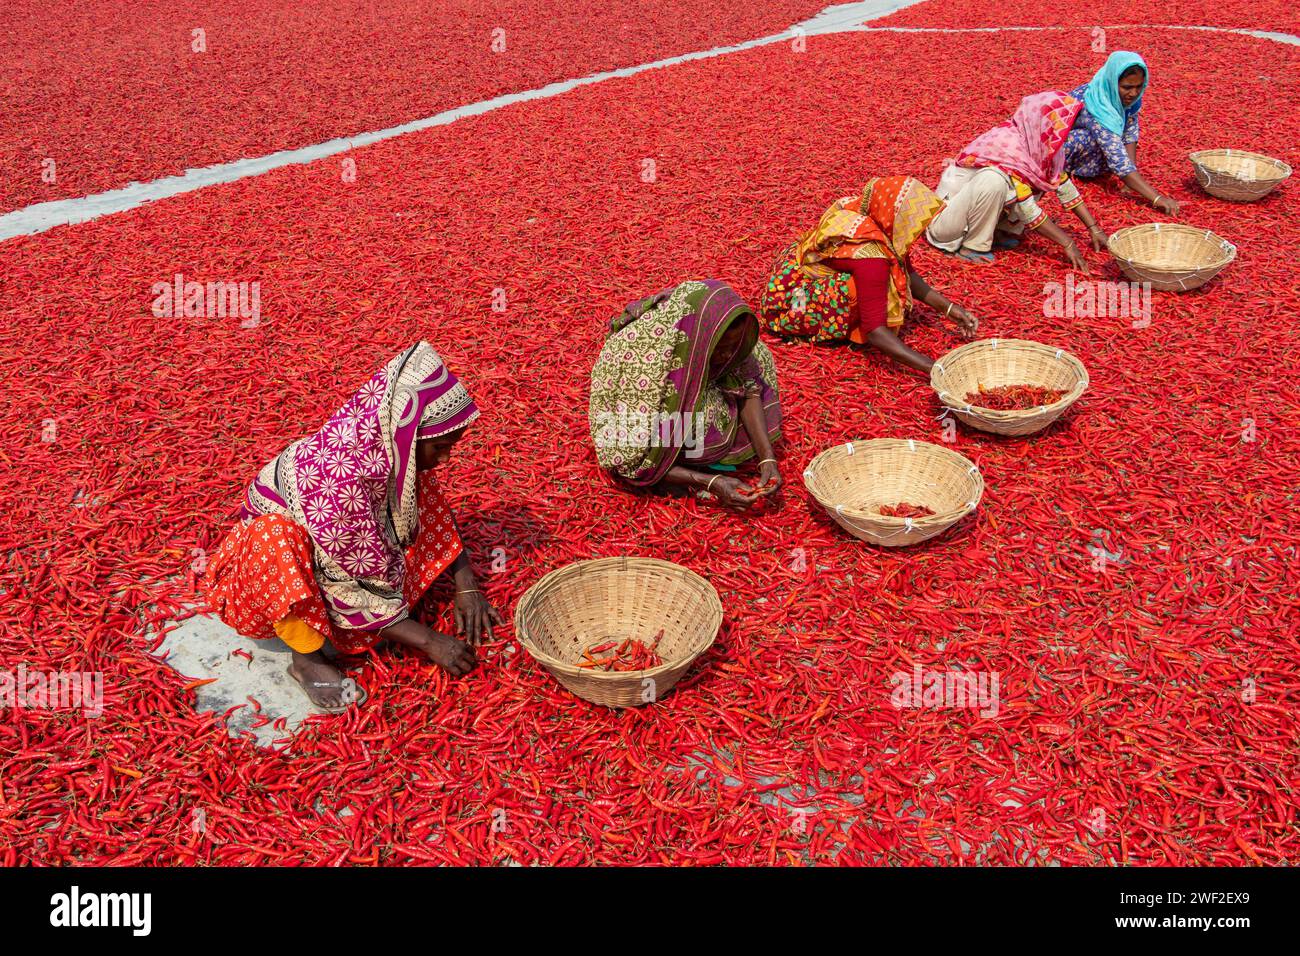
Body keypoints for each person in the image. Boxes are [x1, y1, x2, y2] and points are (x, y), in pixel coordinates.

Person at [202, 342, 502, 712]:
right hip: (264, 587)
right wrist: (429, 641)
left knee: (417, 484)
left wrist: (466, 585)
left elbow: (433, 510)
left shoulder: (389, 449)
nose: (445, 458)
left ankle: (381, 615)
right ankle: (307, 659)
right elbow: (341, 574)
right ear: (406, 429)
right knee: (274, 537)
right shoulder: (335, 481)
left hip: (338, 560)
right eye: (440, 447)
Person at [589, 279, 782, 511]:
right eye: (721, 348)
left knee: (758, 358)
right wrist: (710, 482)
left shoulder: (720, 342)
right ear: (699, 336)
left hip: (686, 383)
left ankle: (687, 455)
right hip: (640, 415)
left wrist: (767, 458)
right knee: (678, 422)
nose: (727, 355)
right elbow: (624, 458)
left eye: (733, 346)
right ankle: (669, 464)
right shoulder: (644, 366)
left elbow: (749, 388)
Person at [759, 176, 978, 375]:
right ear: (896, 218)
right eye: (915, 224)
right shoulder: (872, 257)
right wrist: (934, 367)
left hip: (788, 281)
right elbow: (876, 332)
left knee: (880, 278)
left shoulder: (863, 212)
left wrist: (949, 309)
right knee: (867, 285)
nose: (919, 232)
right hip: (793, 304)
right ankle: (827, 324)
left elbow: (906, 271)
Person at [926, 91, 1105, 272]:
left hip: (970, 213)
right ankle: (973, 246)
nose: (1063, 137)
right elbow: (1026, 208)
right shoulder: (1008, 146)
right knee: (995, 179)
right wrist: (1067, 243)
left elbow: (1063, 186)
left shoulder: (1039, 146)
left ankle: (997, 232)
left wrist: (1094, 228)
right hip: (946, 225)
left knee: (1040, 179)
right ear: (1041, 124)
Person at [1063, 51, 1181, 215]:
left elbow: (1129, 133)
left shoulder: (1126, 99)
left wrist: (1130, 177)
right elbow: (1118, 161)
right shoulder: (1096, 103)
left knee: (1110, 142)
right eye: (1127, 87)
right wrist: (1156, 198)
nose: (1133, 93)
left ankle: (1103, 174)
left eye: (1139, 86)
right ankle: (1062, 176)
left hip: (1094, 148)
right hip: (1056, 152)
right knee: (1084, 138)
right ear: (1113, 82)